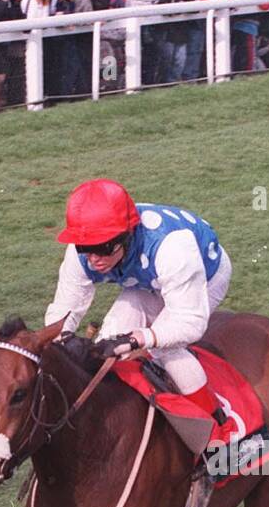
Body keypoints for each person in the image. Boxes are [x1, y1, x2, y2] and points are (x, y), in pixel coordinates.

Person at [45, 179, 233, 424]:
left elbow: (190, 323)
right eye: (85, 247)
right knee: (106, 343)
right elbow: (63, 310)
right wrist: (58, 341)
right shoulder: (82, 253)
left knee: (164, 347)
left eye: (103, 246)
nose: (94, 259)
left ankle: (219, 429)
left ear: (127, 236)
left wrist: (140, 338)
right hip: (145, 282)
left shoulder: (173, 247)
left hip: (205, 277)